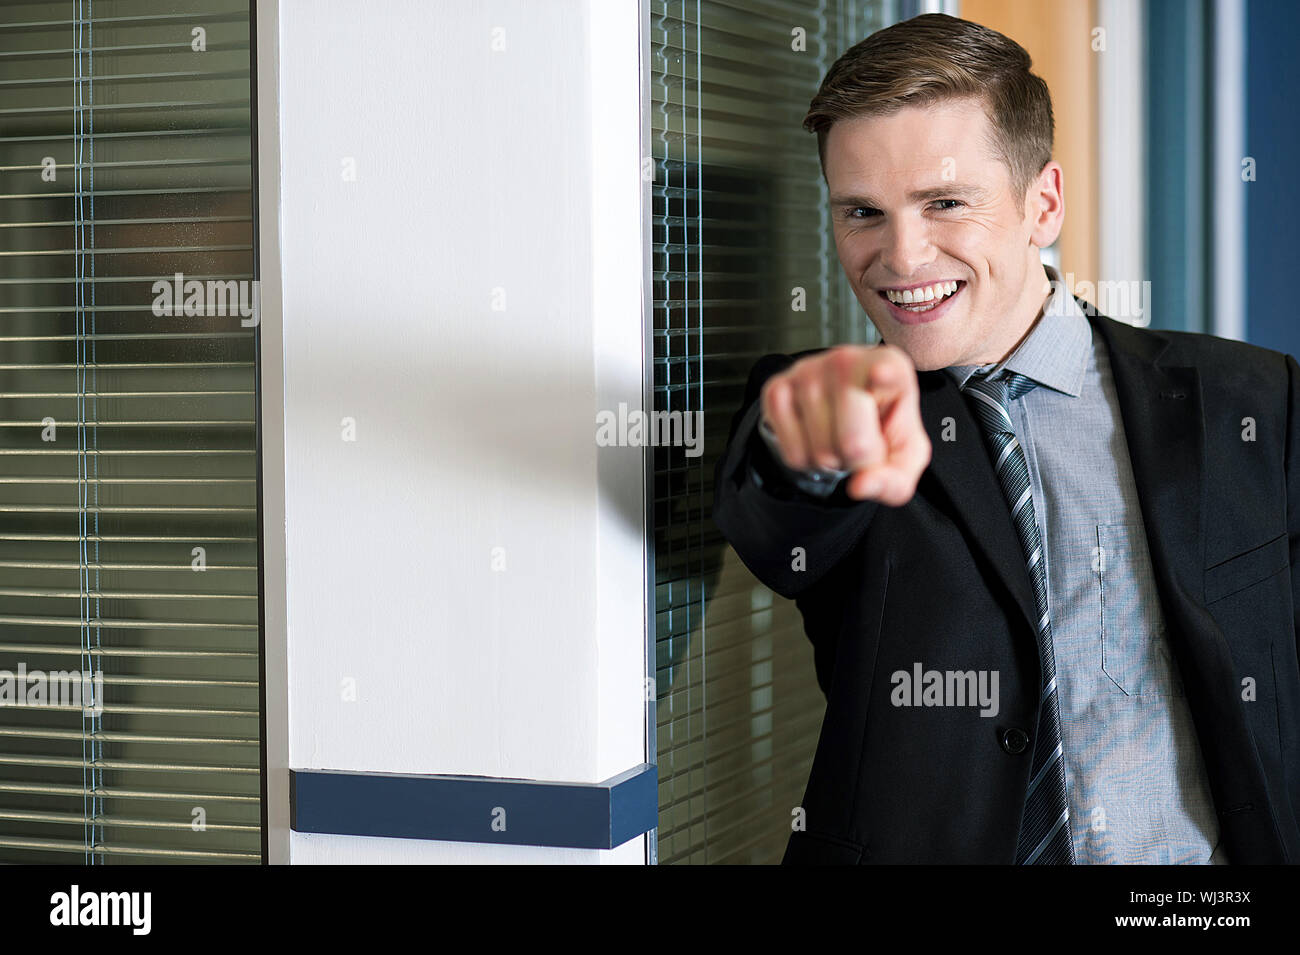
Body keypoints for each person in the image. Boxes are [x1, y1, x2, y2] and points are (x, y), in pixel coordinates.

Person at [713, 13, 1299, 864]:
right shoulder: (839, 407)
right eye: (863, 212)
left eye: (945, 202)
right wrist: (803, 444)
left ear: (1042, 203)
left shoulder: (1253, 401)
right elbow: (780, 510)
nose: (902, 255)